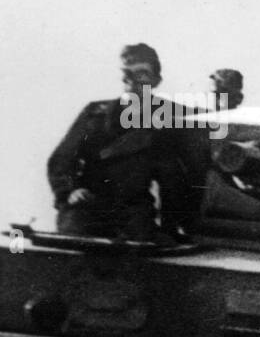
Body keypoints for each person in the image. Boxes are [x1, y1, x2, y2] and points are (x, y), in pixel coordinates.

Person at [47, 44, 169, 241]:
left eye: (142, 73)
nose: (133, 79)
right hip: (89, 205)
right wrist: (70, 190)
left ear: (156, 80)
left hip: (133, 210)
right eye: (128, 72)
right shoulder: (95, 113)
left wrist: (172, 225)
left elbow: (174, 177)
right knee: (74, 248)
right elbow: (62, 159)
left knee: (143, 255)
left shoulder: (167, 119)